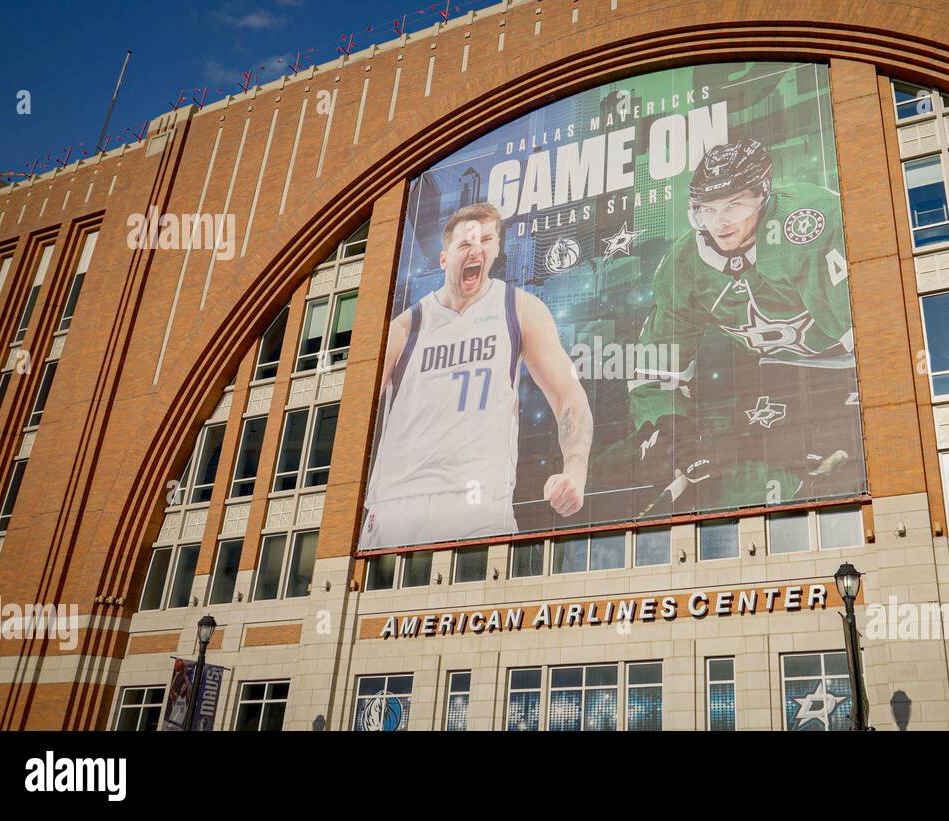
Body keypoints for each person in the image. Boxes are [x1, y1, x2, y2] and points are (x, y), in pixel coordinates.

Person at [629, 138, 859, 513]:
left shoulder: (804, 225)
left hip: (848, 365)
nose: (720, 221)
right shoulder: (683, 266)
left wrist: (855, 420)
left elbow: (866, 336)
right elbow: (657, 370)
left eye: (734, 204)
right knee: (747, 470)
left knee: (842, 459)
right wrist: (674, 436)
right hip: (777, 370)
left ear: (763, 195)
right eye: (709, 208)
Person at [360, 202, 592, 549]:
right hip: (397, 511)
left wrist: (575, 471)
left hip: (479, 508)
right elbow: (353, 417)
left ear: (497, 249)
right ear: (444, 258)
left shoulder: (517, 308)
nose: (477, 249)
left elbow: (568, 394)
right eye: (466, 243)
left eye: (485, 240)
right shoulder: (407, 327)